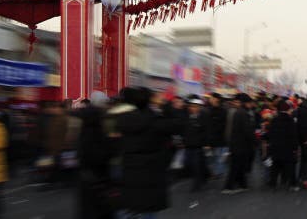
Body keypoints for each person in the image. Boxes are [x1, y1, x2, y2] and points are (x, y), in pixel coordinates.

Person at [117, 87, 183, 218]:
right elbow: (179, 125)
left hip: (131, 167)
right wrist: (166, 105)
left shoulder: (124, 120)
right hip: (152, 170)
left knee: (131, 205)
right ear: (149, 100)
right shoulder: (155, 121)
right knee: (149, 208)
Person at [73, 92, 114, 219]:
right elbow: (100, 153)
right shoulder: (99, 126)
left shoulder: (83, 123)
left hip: (85, 172)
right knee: (100, 204)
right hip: (98, 173)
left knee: (88, 206)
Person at [223, 93, 256, 194]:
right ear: (246, 103)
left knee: (239, 166)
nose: (251, 105)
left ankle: (243, 185)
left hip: (237, 145)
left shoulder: (239, 112)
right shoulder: (243, 113)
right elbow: (247, 131)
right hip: (241, 145)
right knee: (236, 167)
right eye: (250, 103)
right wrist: (254, 141)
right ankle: (228, 187)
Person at [266, 100, 299, 190]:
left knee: (275, 166)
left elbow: (270, 133)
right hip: (287, 148)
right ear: (288, 110)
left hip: (276, 147)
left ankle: (272, 183)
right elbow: (293, 135)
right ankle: (292, 184)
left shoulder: (274, 119)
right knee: (290, 166)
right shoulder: (290, 120)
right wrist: (295, 147)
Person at [182, 98, 210, 192]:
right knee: (190, 164)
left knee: (196, 165)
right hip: (188, 145)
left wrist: (206, 144)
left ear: (198, 107)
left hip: (198, 145)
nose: (193, 108)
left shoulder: (203, 117)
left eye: (195, 106)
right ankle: (205, 175)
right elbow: (184, 130)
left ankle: (196, 184)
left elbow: (206, 131)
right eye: (191, 106)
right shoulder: (187, 116)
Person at [207, 93, 228, 179]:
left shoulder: (223, 111)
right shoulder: (210, 110)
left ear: (216, 99)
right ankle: (217, 173)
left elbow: (222, 126)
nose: (210, 100)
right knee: (215, 157)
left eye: (211, 98)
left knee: (219, 157)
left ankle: (218, 173)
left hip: (221, 139)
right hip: (213, 139)